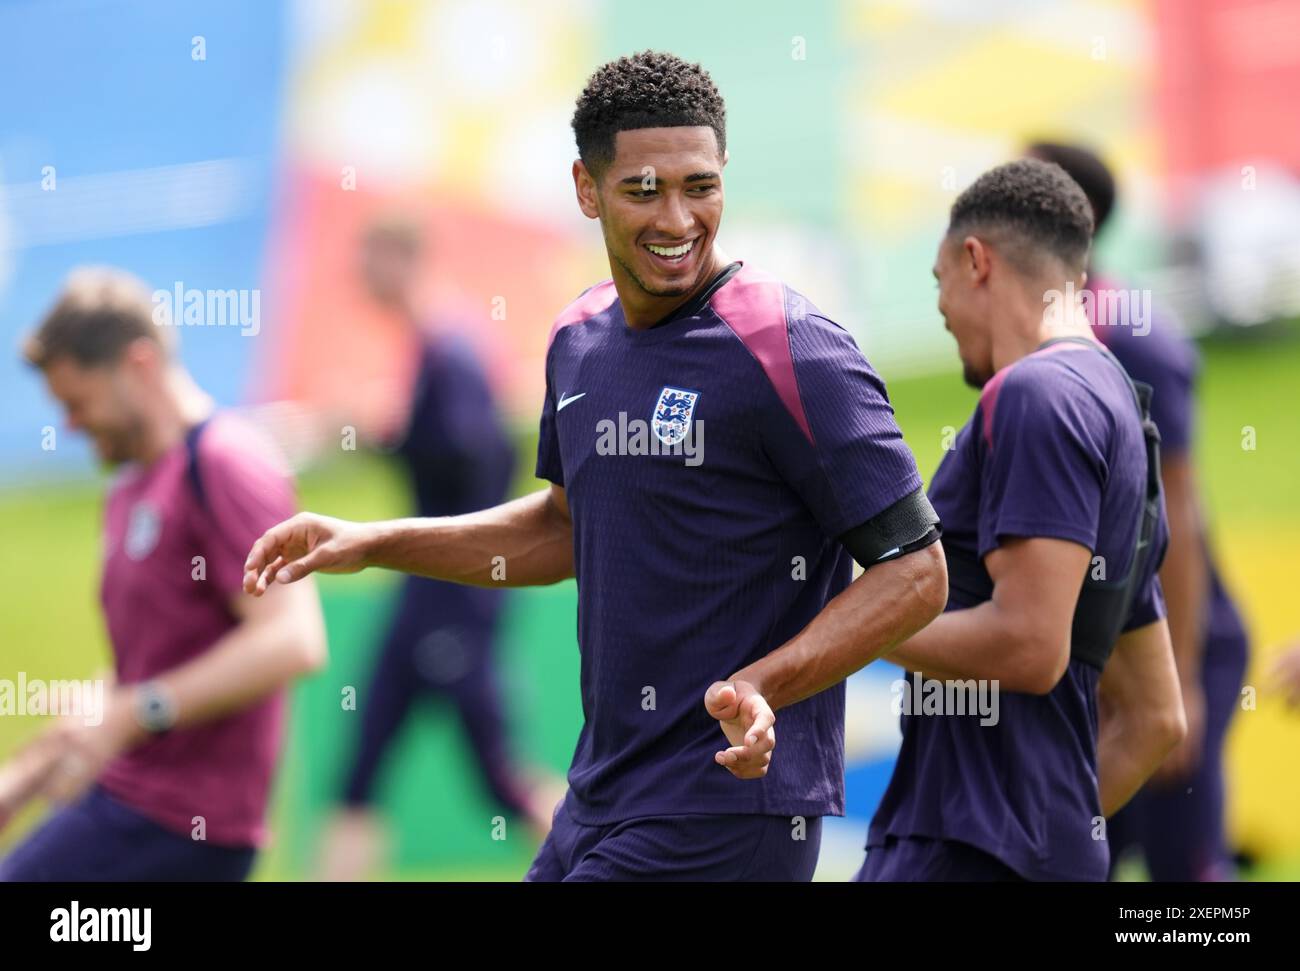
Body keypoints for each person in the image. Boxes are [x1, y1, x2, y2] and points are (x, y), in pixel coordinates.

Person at [243, 50, 947, 881]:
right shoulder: (578, 338)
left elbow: (916, 571)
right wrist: (372, 540)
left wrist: (766, 684)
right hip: (601, 794)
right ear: (586, 188)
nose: (677, 218)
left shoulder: (794, 349)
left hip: (727, 807)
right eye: (643, 189)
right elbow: (559, 530)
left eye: (701, 186)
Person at [860, 159, 1186, 881]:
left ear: (975, 260)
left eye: (938, 280)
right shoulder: (1126, 414)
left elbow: (1030, 647)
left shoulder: (1032, 395)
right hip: (1037, 850)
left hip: (959, 844)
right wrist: (1047, 837)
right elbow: (1157, 716)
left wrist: (847, 620)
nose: (941, 309)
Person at [0, 267, 326, 880]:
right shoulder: (131, 484)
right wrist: (21, 781)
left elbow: (293, 640)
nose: (70, 426)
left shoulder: (226, 463)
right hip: (129, 803)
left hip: (187, 825)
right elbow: (148, 666)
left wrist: (134, 712)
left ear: (138, 365)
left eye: (78, 403)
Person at [1027, 140, 1250, 882]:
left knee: (1184, 881)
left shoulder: (1134, 339)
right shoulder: (1034, 333)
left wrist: (1177, 680)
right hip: (1099, 663)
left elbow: (1178, 517)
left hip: (1174, 644)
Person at [318, 218, 558, 881]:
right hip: (426, 583)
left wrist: (373, 432)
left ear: (401, 261)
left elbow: (472, 456)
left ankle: (621, 862)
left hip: (455, 590)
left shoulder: (452, 349)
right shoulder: (437, 346)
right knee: (360, 764)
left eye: (369, 260)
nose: (360, 278)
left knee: (499, 776)